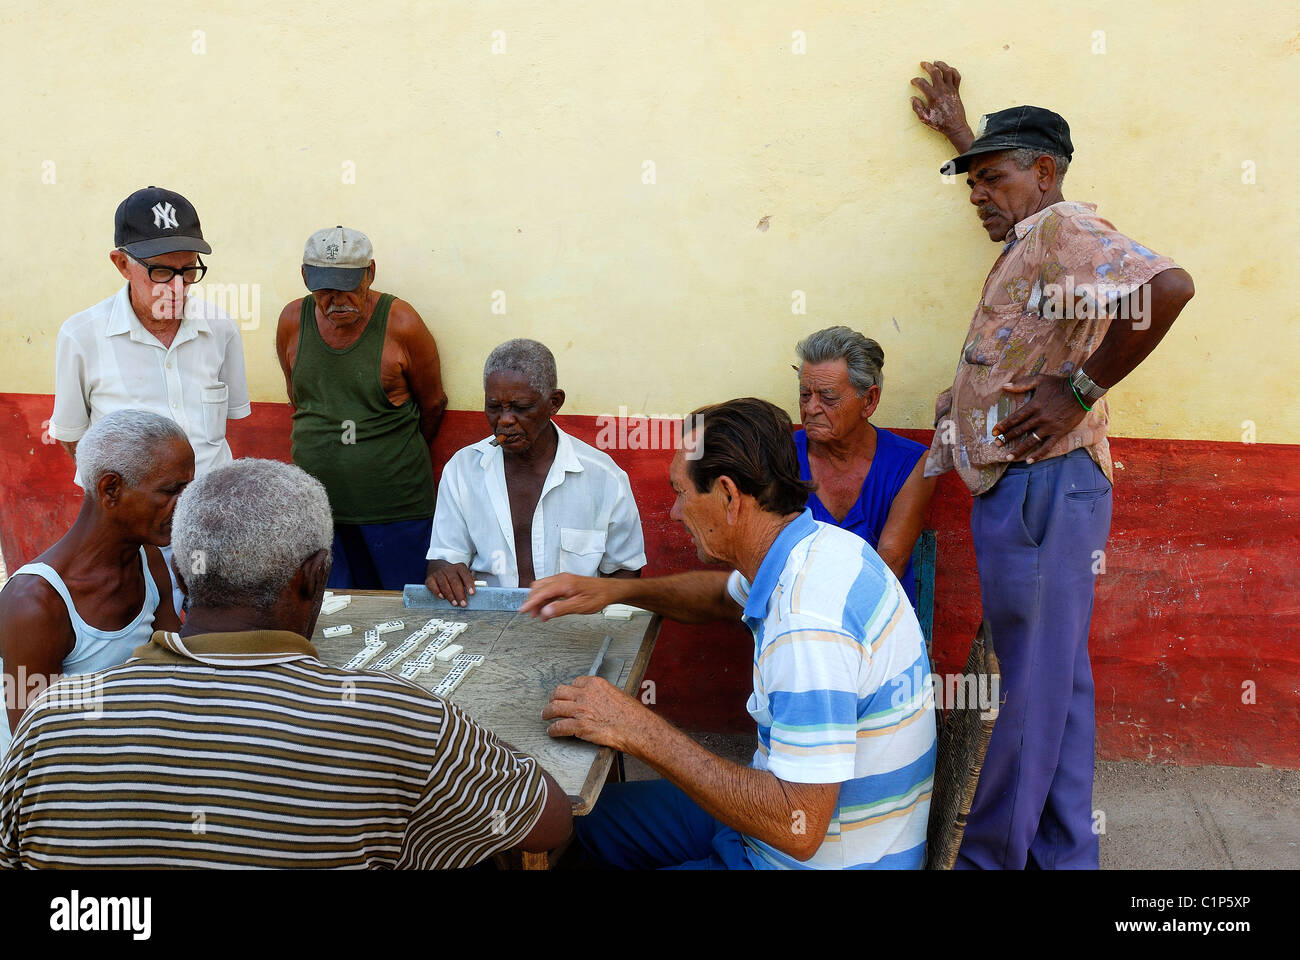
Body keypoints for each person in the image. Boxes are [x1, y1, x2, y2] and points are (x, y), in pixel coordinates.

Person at [0, 458, 571, 869]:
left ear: (179, 574)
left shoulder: (51, 720)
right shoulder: (400, 720)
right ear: (317, 575)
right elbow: (549, 823)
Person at [910, 61, 1195, 869]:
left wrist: (1079, 386)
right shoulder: (1036, 231)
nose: (976, 194)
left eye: (990, 178)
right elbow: (1016, 204)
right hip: (1036, 488)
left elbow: (1166, 288)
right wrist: (971, 142)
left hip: (1044, 484)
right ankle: (1066, 856)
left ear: (1045, 172)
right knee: (1056, 683)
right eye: (971, 182)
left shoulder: (1063, 226)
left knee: (1030, 689)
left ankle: (991, 859)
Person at [523, 398, 936, 869]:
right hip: (775, 825)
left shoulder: (809, 625)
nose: (676, 513)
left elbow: (795, 825)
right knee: (580, 821)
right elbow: (722, 595)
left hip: (804, 855)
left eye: (681, 492)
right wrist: (612, 591)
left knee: (570, 829)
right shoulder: (815, 546)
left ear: (728, 495)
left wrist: (636, 729)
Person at [48, 185, 251, 611]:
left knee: (214, 635)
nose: (176, 286)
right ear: (121, 264)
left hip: (213, 528)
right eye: (160, 271)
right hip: (133, 539)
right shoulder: (81, 336)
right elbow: (74, 440)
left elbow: (224, 429)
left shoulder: (221, 328)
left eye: (188, 270)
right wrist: (129, 508)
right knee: (138, 642)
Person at [0, 410, 192, 761]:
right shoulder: (34, 603)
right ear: (111, 489)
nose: (185, 504)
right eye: (170, 491)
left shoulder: (148, 559)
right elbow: (35, 743)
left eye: (188, 488)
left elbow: (176, 664)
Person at [276, 226, 448, 590]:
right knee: (332, 613)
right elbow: (301, 399)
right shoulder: (292, 320)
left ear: (370, 273)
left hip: (396, 512)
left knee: (403, 608)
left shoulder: (402, 323)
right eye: (325, 290)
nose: (338, 300)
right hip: (317, 510)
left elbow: (433, 403)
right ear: (305, 277)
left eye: (349, 287)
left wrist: (383, 458)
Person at [425, 339, 645, 605]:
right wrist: (443, 573)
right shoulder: (462, 469)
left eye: (521, 408)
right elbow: (443, 560)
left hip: (574, 626)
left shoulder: (604, 477)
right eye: (494, 407)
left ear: (554, 402)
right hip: (486, 623)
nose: (505, 420)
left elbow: (626, 572)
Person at [794, 325, 936, 606]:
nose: (811, 408)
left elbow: (889, 563)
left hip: (875, 622)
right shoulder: (780, 456)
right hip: (796, 622)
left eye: (828, 397)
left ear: (869, 401)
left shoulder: (910, 464)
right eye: (805, 395)